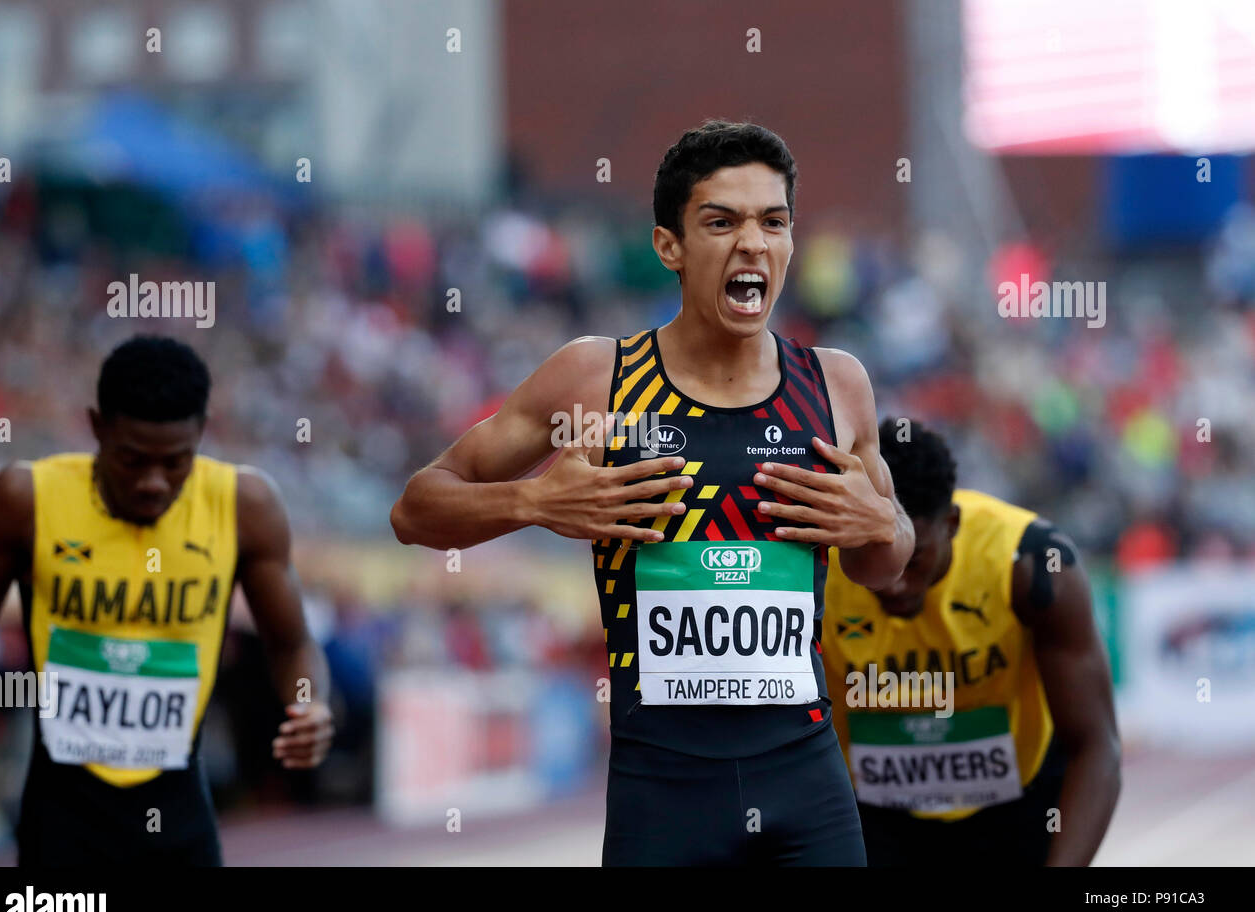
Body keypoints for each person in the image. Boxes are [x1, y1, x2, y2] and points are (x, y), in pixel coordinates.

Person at [391, 120, 913, 865]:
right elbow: (414, 510)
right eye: (720, 222)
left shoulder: (839, 385)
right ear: (669, 245)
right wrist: (536, 504)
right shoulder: (596, 381)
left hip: (805, 781)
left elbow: (884, 565)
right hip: (663, 790)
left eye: (774, 222)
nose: (753, 245)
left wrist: (881, 523)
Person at [0, 335, 333, 865]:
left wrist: (308, 702)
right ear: (96, 427)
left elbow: (291, 644)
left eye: (177, 462)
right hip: (60, 825)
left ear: (202, 434)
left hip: (179, 825)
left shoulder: (244, 506)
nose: (154, 483)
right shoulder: (27, 500)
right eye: (132, 460)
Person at [821, 418, 1121, 865]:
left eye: (913, 559)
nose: (893, 585)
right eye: (874, 556)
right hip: (871, 813)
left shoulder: (1030, 563)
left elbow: (1095, 747)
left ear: (952, 524)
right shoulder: (817, 564)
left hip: (1014, 809)